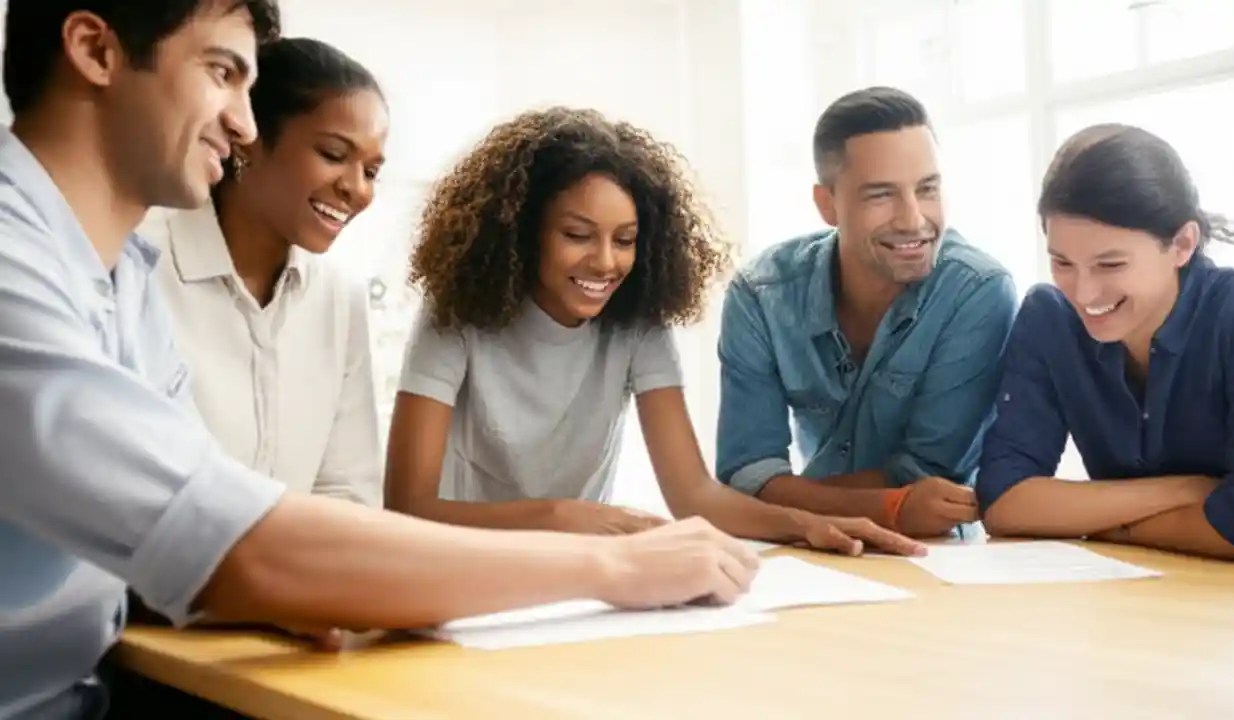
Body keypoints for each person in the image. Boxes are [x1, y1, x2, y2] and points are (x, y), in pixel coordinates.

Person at [0, 3, 759, 717]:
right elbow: (231, 540)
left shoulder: (120, 278)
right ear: (95, 51)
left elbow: (218, 525)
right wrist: (615, 570)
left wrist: (288, 585)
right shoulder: (15, 262)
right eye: (223, 74)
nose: (241, 124)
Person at [384, 107, 925, 557]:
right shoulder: (456, 316)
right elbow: (407, 506)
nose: (604, 262)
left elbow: (693, 493)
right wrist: (559, 515)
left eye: (625, 239)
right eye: (577, 235)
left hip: (576, 569)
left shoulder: (635, 324)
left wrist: (801, 523)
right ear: (523, 233)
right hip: (456, 561)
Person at [715, 86, 1017, 538]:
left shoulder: (976, 292)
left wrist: (790, 496)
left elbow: (929, 479)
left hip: (939, 552)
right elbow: (747, 474)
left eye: (927, 189)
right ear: (827, 204)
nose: (914, 219)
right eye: (881, 195)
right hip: (810, 545)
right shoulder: (761, 295)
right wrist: (893, 506)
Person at [977, 123, 1234, 563]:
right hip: (1136, 600)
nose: (1082, 293)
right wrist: (1184, 490)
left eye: (1110, 264)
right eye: (1062, 262)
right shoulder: (1050, 318)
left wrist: (1111, 528)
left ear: (1181, 244)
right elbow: (1004, 501)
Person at [143, 37, 385, 506]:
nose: (357, 190)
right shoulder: (141, 263)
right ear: (248, 139)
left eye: (372, 171)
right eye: (334, 155)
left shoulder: (340, 297)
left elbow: (348, 493)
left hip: (297, 575)